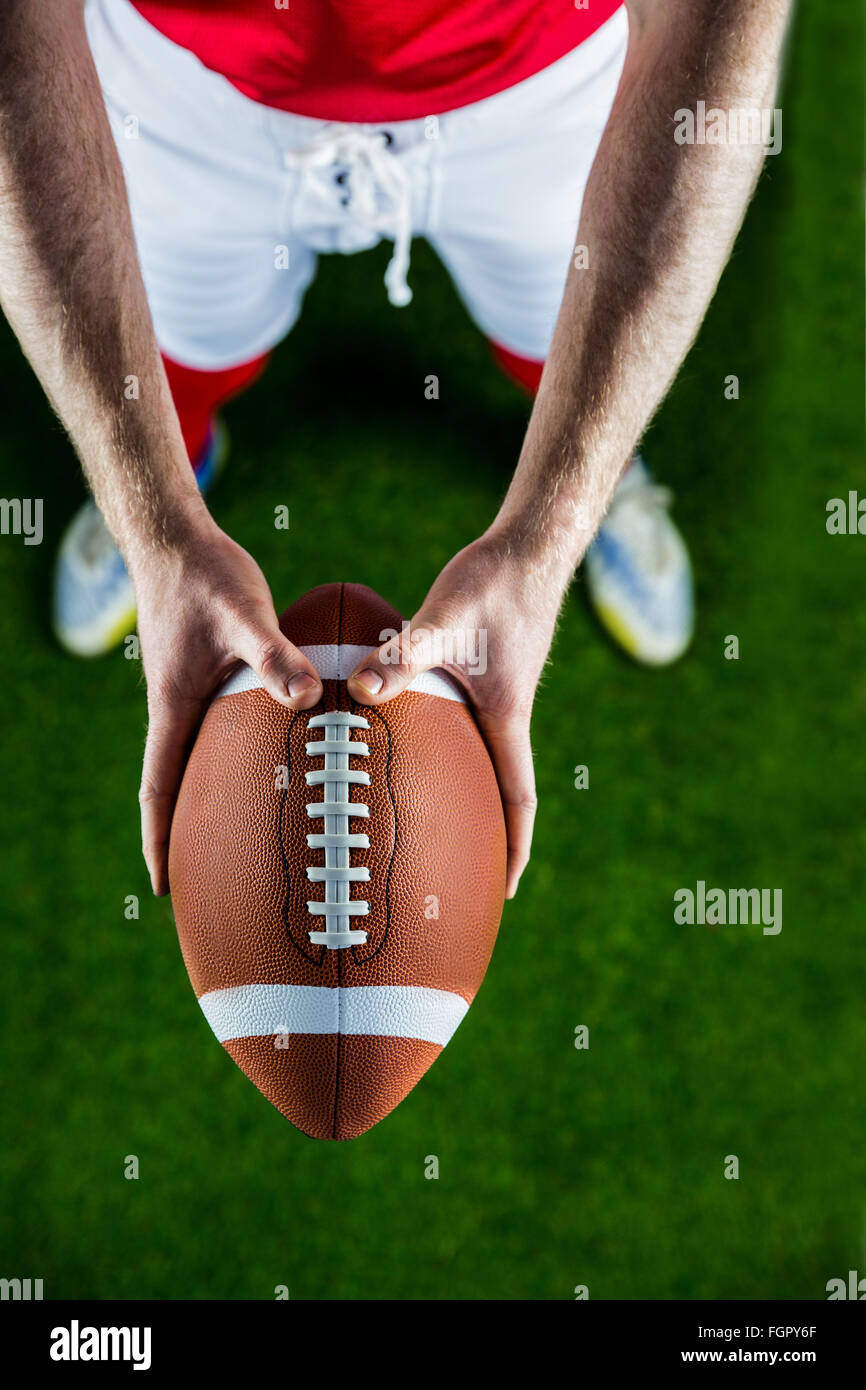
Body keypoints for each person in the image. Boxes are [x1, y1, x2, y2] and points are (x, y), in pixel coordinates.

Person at [0, 0, 791, 901]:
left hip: (544, 79)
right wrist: (153, 516)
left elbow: (719, 20)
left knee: (565, 341)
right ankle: (169, 468)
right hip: (183, 83)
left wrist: (547, 530)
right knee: (178, 349)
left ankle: (595, 486)